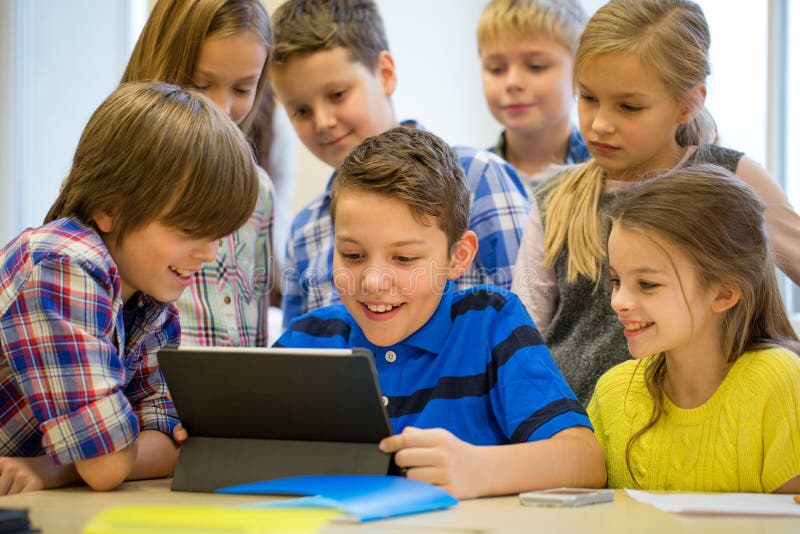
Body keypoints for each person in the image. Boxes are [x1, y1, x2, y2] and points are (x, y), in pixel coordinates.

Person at [275, 127, 605, 499]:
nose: (374, 281)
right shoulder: (306, 341)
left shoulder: (491, 325)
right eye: (352, 254)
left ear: (458, 256)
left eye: (404, 258)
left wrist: (479, 469)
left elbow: (585, 460)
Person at [511, 0, 800, 405]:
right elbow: (523, 335)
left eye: (629, 106)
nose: (599, 124)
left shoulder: (732, 177)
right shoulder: (554, 199)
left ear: (687, 103)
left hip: (710, 426)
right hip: (578, 428)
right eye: (588, 97)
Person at [0, 82, 259, 494]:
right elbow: (106, 466)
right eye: (190, 229)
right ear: (109, 208)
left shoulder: (151, 304)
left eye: (218, 234)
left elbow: (170, 443)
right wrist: (94, 459)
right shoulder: (63, 263)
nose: (210, 254)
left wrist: (54, 469)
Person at [269, 0, 531, 328]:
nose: (322, 121)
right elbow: (302, 360)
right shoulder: (305, 230)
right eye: (301, 111)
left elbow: (529, 325)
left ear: (386, 74)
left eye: (337, 94)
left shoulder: (478, 177)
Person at [588, 164, 800, 493]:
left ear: (724, 293)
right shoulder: (613, 392)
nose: (619, 301)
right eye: (616, 280)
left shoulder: (777, 379)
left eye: (647, 284)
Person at [122, 0, 275, 347]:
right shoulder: (122, 174)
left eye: (242, 89)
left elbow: (255, 332)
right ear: (160, 63)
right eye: (201, 84)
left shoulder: (259, 190)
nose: (221, 109)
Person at [478, 0, 590, 192]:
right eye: (496, 69)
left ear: (581, 70)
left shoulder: (611, 175)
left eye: (536, 66)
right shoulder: (467, 179)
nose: (512, 82)